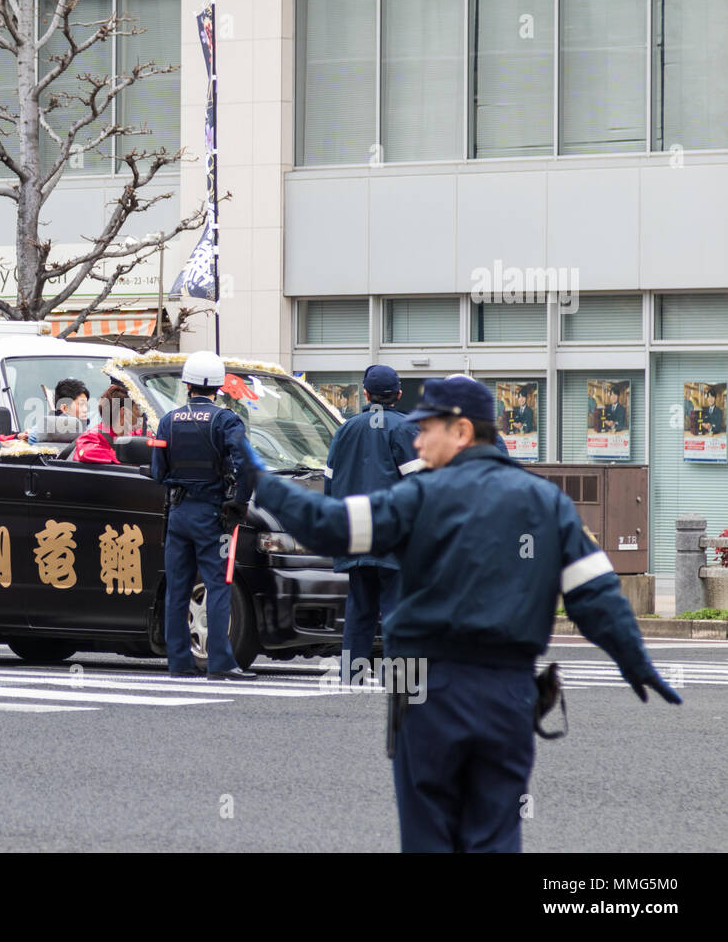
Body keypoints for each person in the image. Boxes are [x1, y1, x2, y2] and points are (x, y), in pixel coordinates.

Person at [239, 375, 680, 851]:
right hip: (507, 690)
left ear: (463, 432)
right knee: (495, 834)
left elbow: (330, 527)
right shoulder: (547, 502)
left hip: (421, 683)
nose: (419, 438)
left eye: (428, 428)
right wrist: (634, 661)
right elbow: (595, 595)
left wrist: (265, 483)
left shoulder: (418, 498)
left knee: (428, 833)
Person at [150, 351, 256, 681]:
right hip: (214, 515)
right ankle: (220, 662)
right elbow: (247, 466)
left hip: (179, 513)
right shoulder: (227, 421)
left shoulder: (168, 420)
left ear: (187, 385)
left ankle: (179, 662)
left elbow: (157, 472)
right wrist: (238, 502)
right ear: (219, 387)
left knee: (177, 588)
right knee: (218, 585)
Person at [323, 365, 420, 685]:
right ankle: (399, 677)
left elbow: (329, 484)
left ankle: (351, 675)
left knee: (360, 606)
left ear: (364, 394)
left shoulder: (345, 429)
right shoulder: (406, 429)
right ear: (399, 394)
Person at [72, 383, 141, 463]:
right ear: (124, 413)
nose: (140, 414)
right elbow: (86, 452)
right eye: (137, 409)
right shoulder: (92, 437)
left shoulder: (135, 435)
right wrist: (127, 459)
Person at [24, 378, 90, 443]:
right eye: (81, 405)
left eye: (86, 405)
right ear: (64, 408)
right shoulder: (45, 430)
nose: (85, 410)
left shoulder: (88, 431)